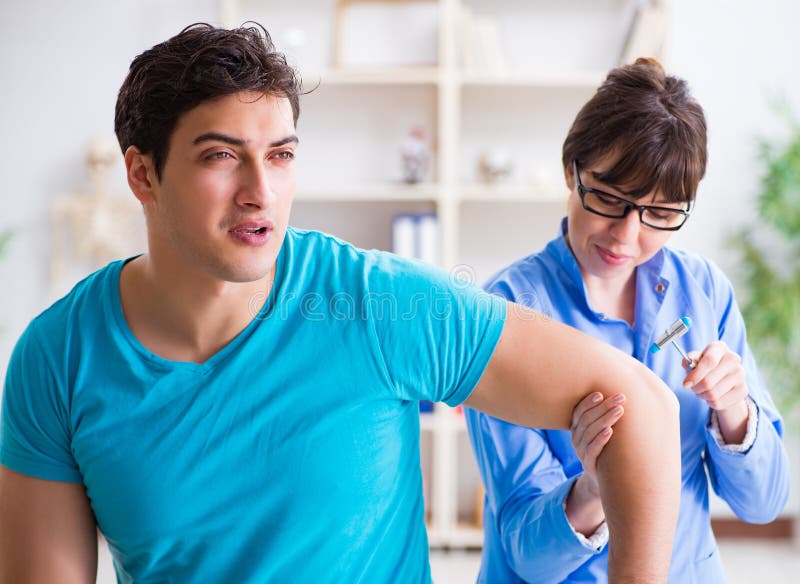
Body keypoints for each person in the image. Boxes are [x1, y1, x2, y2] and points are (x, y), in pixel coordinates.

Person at [0, 25, 682, 583]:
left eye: (282, 154)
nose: (260, 191)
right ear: (142, 173)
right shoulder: (58, 359)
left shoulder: (374, 304)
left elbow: (642, 407)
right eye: (221, 156)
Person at [464, 57, 790, 583]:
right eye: (610, 200)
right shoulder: (506, 312)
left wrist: (735, 413)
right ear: (571, 171)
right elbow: (528, 556)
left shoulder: (703, 291)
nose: (626, 236)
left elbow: (764, 502)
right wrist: (596, 487)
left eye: (660, 214)